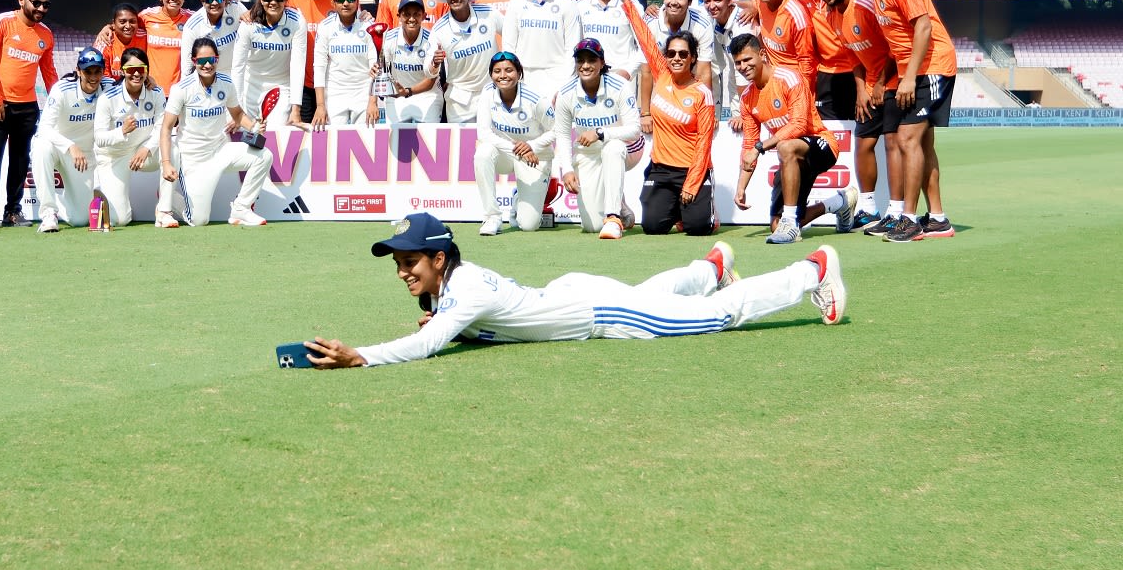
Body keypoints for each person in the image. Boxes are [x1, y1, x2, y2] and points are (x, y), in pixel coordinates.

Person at [301, 213, 847, 368]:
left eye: (409, 261)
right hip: (574, 292)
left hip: (596, 311)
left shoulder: (462, 291)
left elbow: (425, 346)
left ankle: (814, 270)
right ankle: (709, 266)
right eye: (398, 263)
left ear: (438, 257)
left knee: (714, 317)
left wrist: (361, 357)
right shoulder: (455, 285)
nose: (402, 272)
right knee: (650, 295)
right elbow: (458, 322)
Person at [844, 0, 958, 242]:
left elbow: (922, 27)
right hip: (916, 69)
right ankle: (937, 218)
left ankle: (908, 220)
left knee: (908, 139)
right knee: (922, 144)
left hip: (932, 66)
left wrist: (908, 77)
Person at [730, 35, 857, 244]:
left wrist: (760, 147)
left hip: (820, 144)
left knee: (786, 146)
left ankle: (791, 223)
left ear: (762, 55)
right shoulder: (747, 98)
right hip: (790, 157)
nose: (743, 66)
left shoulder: (788, 78)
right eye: (738, 63)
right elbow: (749, 145)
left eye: (747, 59)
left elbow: (798, 125)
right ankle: (840, 203)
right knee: (775, 226)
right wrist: (741, 187)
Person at [807, 0, 899, 231]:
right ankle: (869, 209)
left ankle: (896, 212)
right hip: (871, 84)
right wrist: (862, 89)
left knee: (894, 145)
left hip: (896, 80)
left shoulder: (866, 3)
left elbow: (896, 45)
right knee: (863, 143)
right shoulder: (831, 13)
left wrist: (881, 83)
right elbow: (854, 55)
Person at [621, 0, 717, 236]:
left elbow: (704, 145)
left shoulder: (702, 94)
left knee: (698, 229)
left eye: (683, 54)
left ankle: (701, 205)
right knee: (653, 227)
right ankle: (674, 207)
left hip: (691, 170)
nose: (676, 58)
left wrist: (693, 183)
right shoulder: (661, 74)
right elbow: (644, 36)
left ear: (693, 58)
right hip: (661, 169)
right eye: (671, 53)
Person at [160, 37, 272, 227]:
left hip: (220, 151)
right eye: (201, 61)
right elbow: (166, 128)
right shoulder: (181, 89)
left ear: (217, 59)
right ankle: (171, 200)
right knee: (199, 220)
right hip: (193, 159)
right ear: (194, 61)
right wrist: (166, 163)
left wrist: (253, 127)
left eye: (211, 60)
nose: (206, 65)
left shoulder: (226, 82)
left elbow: (237, 114)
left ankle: (241, 208)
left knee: (264, 156)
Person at [0, 0, 57, 230]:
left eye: (46, 5)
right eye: (36, 3)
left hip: (28, 107)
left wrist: (57, 103)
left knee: (20, 160)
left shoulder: (46, 34)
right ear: (21, 0)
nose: (41, 9)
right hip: (0, 105)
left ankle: (13, 211)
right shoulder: (0, 23)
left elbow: (49, 73)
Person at [553, 38, 643, 240]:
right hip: (588, 152)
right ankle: (619, 203)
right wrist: (566, 169)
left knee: (613, 148)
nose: (585, 66)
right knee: (592, 226)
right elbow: (563, 135)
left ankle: (612, 217)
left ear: (602, 63)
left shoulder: (619, 85)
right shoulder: (565, 94)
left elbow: (635, 130)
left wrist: (600, 133)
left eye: (591, 60)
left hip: (627, 147)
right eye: (581, 60)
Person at [30, 47, 113, 233]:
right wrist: (70, 146)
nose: (93, 77)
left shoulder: (109, 87)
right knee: (41, 147)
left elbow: (132, 86)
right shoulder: (62, 89)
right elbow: (43, 128)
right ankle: (49, 213)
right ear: (78, 71)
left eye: (97, 71)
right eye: (87, 71)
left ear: (103, 71)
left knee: (80, 219)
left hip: (84, 157)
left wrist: (149, 79)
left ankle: (61, 202)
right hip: (60, 147)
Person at [92, 47, 176, 228]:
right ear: (123, 71)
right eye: (131, 70)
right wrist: (121, 131)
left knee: (172, 149)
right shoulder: (108, 97)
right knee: (119, 220)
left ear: (147, 70)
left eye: (141, 69)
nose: (136, 74)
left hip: (143, 152)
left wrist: (147, 148)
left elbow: (162, 128)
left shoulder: (156, 92)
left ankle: (164, 211)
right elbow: (99, 138)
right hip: (114, 156)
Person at [474, 51, 556, 236]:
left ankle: (518, 198)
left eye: (509, 70)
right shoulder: (487, 93)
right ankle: (492, 216)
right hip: (508, 153)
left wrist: (532, 146)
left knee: (528, 225)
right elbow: (484, 133)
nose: (503, 75)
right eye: (497, 71)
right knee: (483, 152)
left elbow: (558, 129)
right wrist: (517, 148)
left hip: (535, 156)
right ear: (491, 75)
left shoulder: (536, 100)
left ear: (519, 73)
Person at [789, 0, 860, 123]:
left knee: (867, 135)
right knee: (830, 134)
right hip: (827, 75)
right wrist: (753, 4)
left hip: (859, 72)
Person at [501, 0, 581, 99]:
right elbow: (509, 46)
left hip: (557, 78)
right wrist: (513, 79)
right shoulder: (517, 2)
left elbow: (572, 48)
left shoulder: (568, 2)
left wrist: (564, 87)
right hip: (524, 79)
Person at [232, 0, 307, 128]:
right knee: (247, 134)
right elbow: (238, 67)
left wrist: (296, 109)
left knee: (274, 132)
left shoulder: (297, 22)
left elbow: (298, 66)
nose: (273, 2)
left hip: (281, 86)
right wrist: (235, 110)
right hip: (250, 85)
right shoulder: (248, 24)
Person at [429, 0, 496, 123]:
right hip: (459, 102)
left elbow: (513, 32)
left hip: (490, 95)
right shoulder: (439, 29)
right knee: (463, 146)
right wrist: (434, 63)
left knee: (493, 145)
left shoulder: (489, 14)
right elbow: (428, 69)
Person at [370, 0, 441, 125]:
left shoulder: (432, 38)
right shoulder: (388, 38)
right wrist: (373, 102)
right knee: (396, 141)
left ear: (424, 16)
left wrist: (407, 92)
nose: (412, 19)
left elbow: (431, 80)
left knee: (429, 140)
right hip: (397, 96)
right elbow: (381, 71)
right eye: (406, 14)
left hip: (427, 96)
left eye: (416, 14)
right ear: (399, 17)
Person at [313, 0, 375, 126]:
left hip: (363, 93)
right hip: (334, 94)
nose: (345, 3)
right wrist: (320, 105)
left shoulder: (369, 26)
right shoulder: (324, 27)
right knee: (332, 143)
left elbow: (375, 67)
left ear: (358, 1)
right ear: (334, 3)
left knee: (365, 141)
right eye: (340, 0)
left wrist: (373, 101)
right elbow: (319, 67)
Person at [286, 0, 337, 121]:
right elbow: (266, 4)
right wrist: (246, 13)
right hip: (303, 83)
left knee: (333, 139)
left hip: (332, 83)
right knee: (304, 138)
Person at [575, 0, 640, 84]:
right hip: (590, 77)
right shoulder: (580, 5)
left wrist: (628, 71)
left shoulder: (632, 4)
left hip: (623, 79)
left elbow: (643, 46)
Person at [753, 0, 817, 89]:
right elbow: (746, 3)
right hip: (772, 82)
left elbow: (806, 61)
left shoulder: (796, 14)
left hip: (794, 84)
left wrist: (802, 94)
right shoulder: (760, 3)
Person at [643, 0, 714, 88]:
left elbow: (703, 72)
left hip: (691, 83)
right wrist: (646, 107)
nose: (674, 2)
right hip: (660, 84)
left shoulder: (702, 24)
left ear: (690, 2)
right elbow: (646, 71)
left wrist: (703, 104)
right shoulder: (650, 22)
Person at [180, 0, 247, 80]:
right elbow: (187, 68)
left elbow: (253, 22)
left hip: (237, 74)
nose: (215, 3)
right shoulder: (192, 27)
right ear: (202, 0)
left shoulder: (236, 7)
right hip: (210, 78)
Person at [139, 0, 192, 90]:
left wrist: (230, 2)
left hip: (181, 90)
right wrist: (108, 27)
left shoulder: (192, 18)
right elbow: (125, 25)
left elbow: (214, 16)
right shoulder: (146, 16)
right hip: (151, 89)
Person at [94, 3, 139, 82]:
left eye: (132, 21)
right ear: (113, 24)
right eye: (122, 22)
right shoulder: (104, 42)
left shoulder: (145, 37)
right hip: (112, 91)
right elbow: (103, 80)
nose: (128, 26)